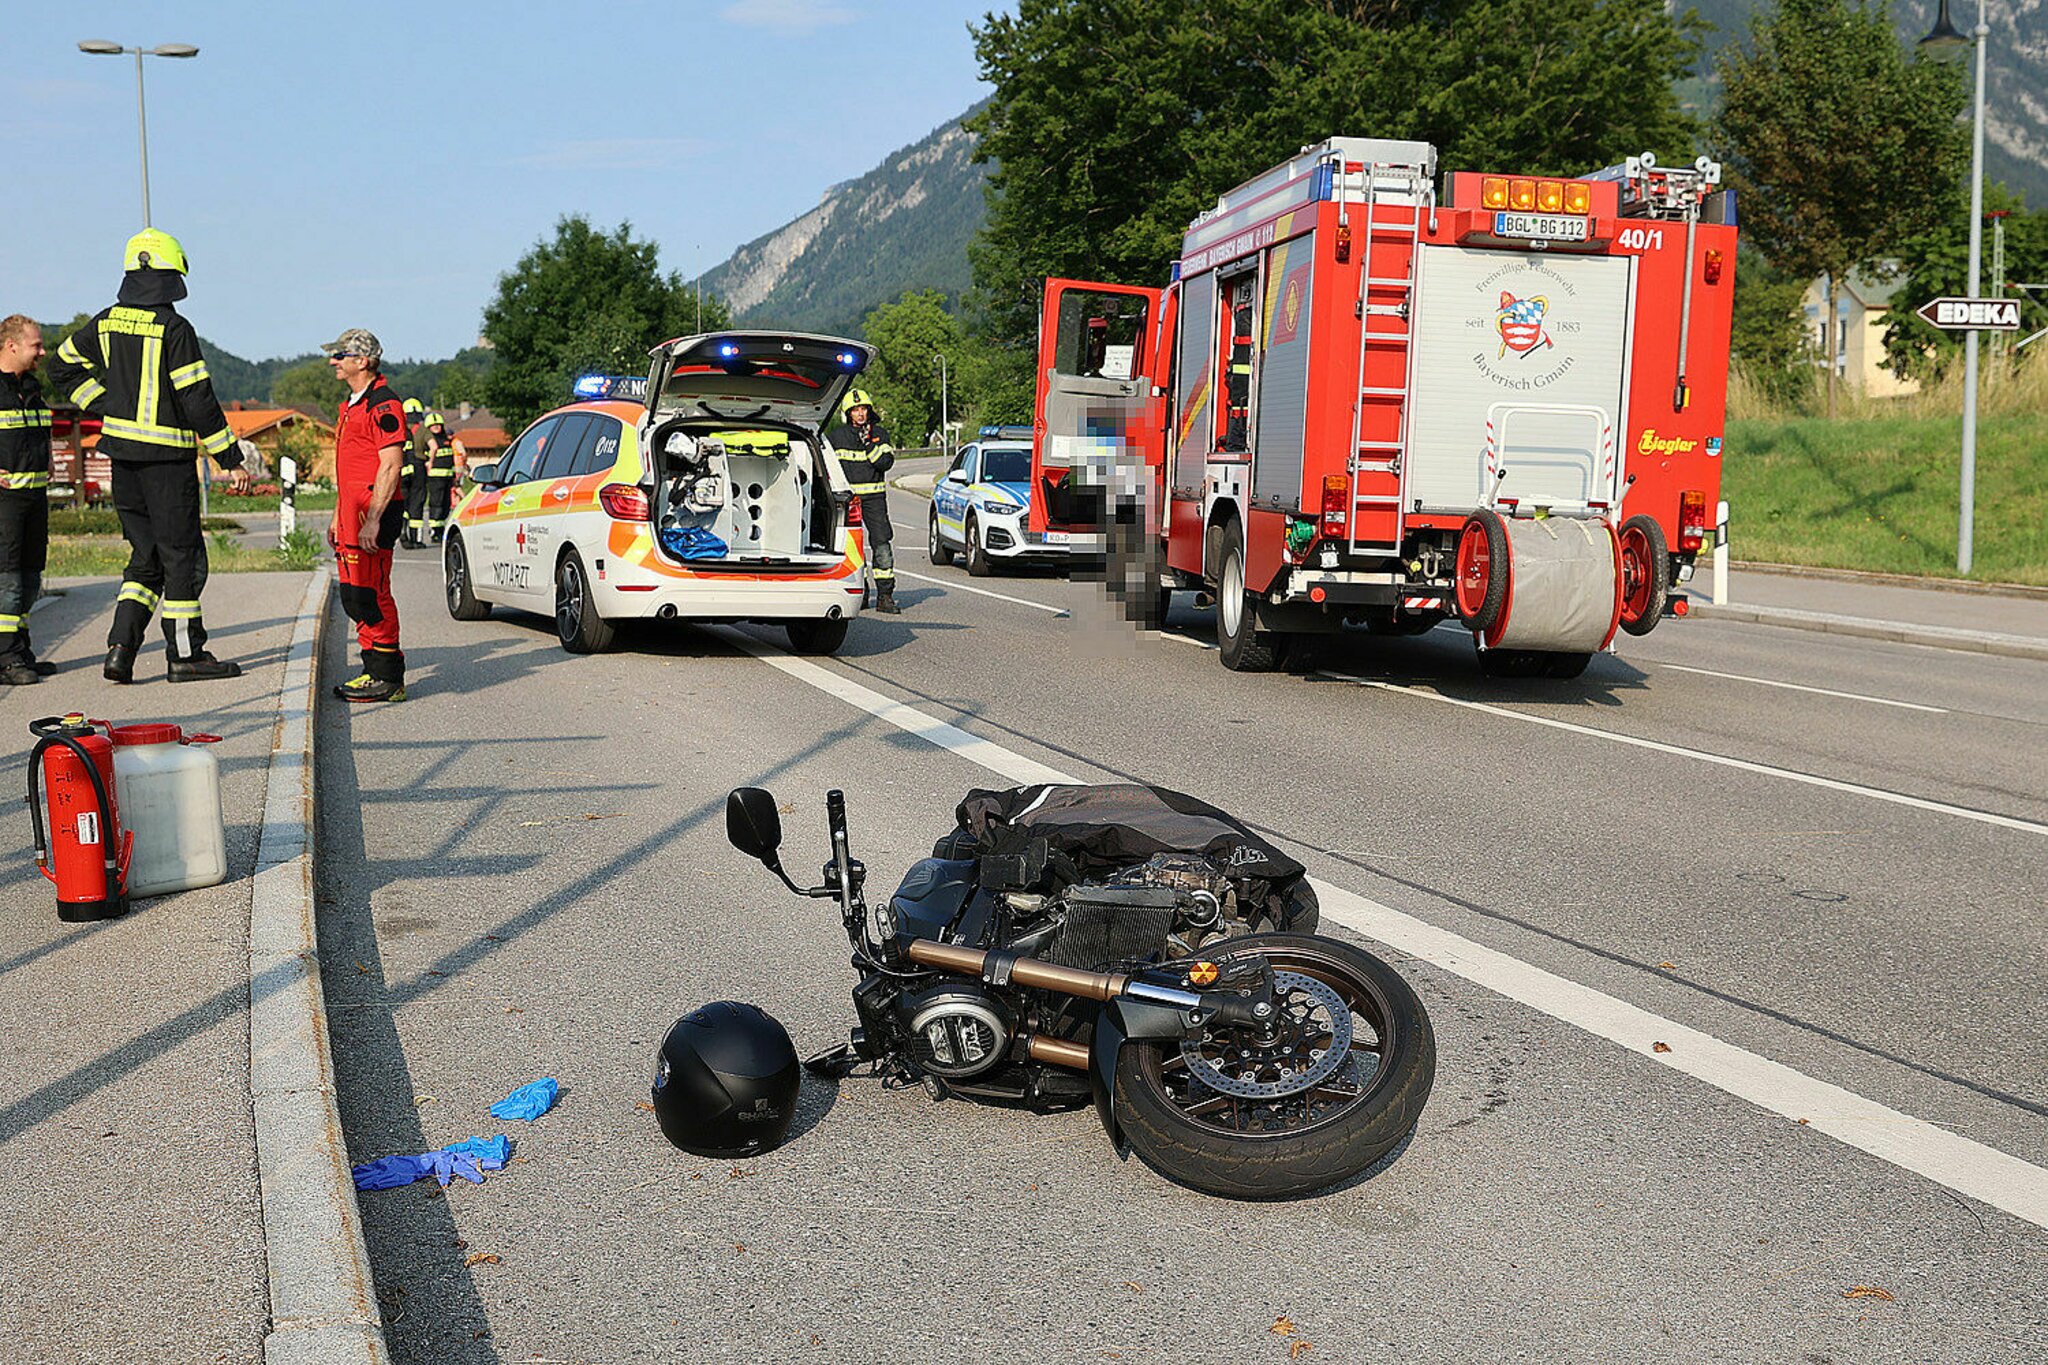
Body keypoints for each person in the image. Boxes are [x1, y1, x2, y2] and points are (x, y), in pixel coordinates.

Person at [46, 229, 250, 683]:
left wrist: (104, 402)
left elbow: (59, 365)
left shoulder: (105, 322)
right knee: (181, 558)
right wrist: (229, 457)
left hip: (123, 460)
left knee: (144, 558)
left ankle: (120, 650)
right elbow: (197, 397)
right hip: (167, 464)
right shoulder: (174, 328)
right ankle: (185, 655)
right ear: (170, 275)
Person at [323, 328, 407, 702]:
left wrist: (374, 518)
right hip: (350, 516)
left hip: (372, 514)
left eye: (340, 355)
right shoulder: (352, 403)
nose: (333, 362)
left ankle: (388, 676)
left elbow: (390, 465)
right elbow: (349, 470)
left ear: (363, 360)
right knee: (354, 596)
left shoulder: (383, 403)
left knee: (372, 595)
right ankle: (370, 667)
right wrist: (336, 515)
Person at [0, 315, 57, 685]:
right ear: (11, 346)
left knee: (30, 578)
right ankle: (5, 658)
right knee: (8, 582)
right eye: (36, 345)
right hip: (5, 502)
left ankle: (21, 651)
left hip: (35, 498)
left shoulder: (32, 387)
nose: (42, 351)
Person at [826, 388, 899, 614]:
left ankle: (885, 596)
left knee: (881, 544)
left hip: (875, 499)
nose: (860, 414)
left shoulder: (880, 434)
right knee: (853, 547)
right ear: (848, 413)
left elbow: (885, 463)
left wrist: (869, 444)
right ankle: (863, 591)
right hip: (849, 501)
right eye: (855, 410)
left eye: (863, 409)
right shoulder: (837, 436)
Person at [420, 412, 464, 544]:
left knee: (445, 505)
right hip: (435, 477)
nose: (436, 427)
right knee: (436, 504)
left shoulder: (446, 439)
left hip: (447, 476)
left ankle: (441, 527)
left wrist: (454, 475)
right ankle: (435, 530)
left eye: (438, 425)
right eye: (433, 426)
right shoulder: (429, 440)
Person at [398, 396, 427, 548]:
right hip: (417, 470)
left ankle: (403, 533)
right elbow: (433, 446)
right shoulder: (421, 430)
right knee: (416, 504)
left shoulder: (398, 430)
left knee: (403, 506)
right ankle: (415, 539)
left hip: (399, 474)